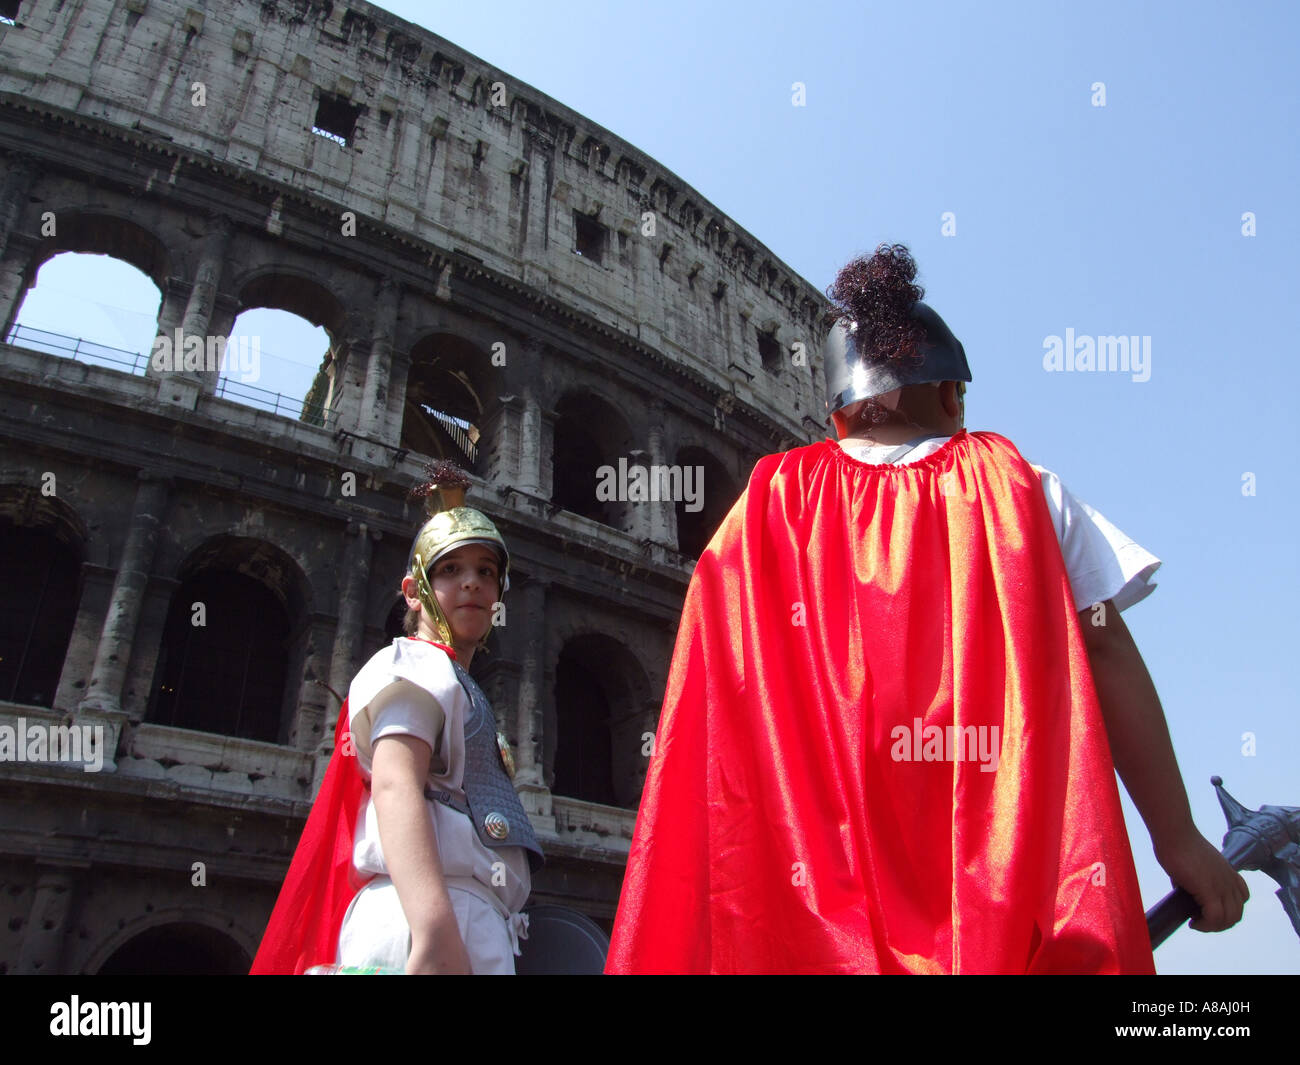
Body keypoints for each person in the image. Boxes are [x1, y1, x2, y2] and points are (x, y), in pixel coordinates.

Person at [605, 244, 1246, 974]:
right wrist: (1180, 840)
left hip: (817, 916)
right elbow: (1105, 652)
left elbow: (711, 711)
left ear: (839, 414)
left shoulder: (762, 510)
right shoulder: (1021, 489)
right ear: (951, 395)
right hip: (1008, 909)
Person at [251, 462, 543, 975]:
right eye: (450, 570)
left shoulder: (459, 683)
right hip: (425, 917)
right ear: (414, 591)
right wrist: (433, 931)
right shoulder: (414, 664)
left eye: (486, 572)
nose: (472, 583)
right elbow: (395, 786)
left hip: (473, 920)